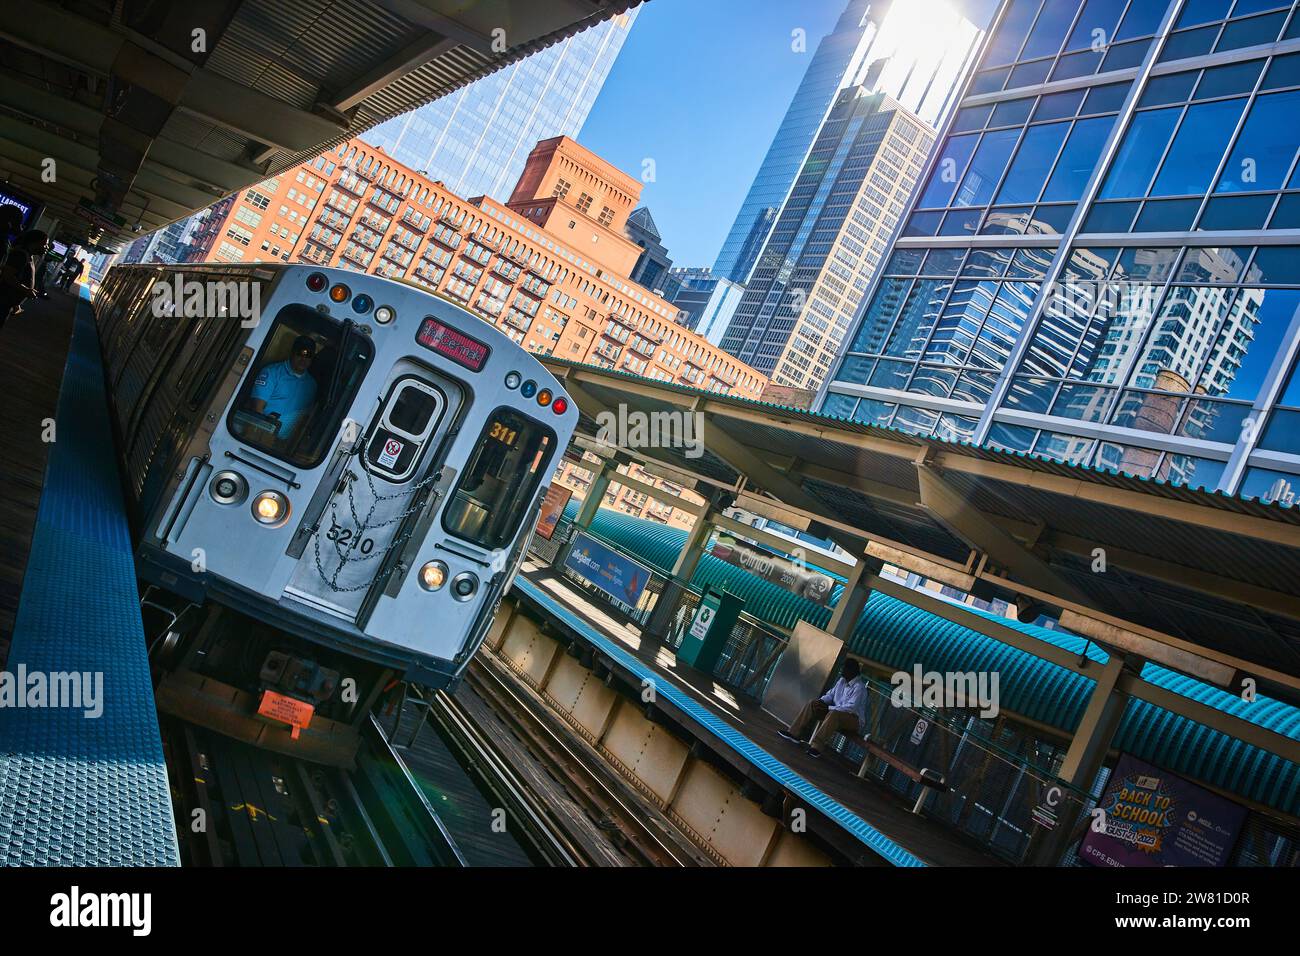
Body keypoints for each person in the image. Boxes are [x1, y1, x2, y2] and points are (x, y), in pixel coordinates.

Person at [778, 657, 869, 758]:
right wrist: (821, 702)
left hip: (854, 720)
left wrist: (828, 708)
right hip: (835, 713)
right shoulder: (842, 681)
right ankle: (794, 733)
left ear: (851, 671)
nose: (841, 670)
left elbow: (850, 708)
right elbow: (830, 695)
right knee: (812, 704)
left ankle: (816, 747)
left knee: (833, 714)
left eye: (844, 668)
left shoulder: (859, 688)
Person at [246, 334, 318, 441]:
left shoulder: (312, 385)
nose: (303, 359)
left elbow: (305, 419)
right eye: (300, 353)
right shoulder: (271, 372)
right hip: (261, 433)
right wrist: (263, 435)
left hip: (286, 447)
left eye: (308, 355)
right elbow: (257, 408)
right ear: (292, 353)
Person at [0, 229, 49, 333]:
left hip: (6, 303)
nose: (46, 248)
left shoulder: (27, 256)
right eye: (45, 244)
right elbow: (7, 275)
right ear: (35, 242)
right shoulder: (20, 255)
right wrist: (26, 290)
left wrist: (16, 303)